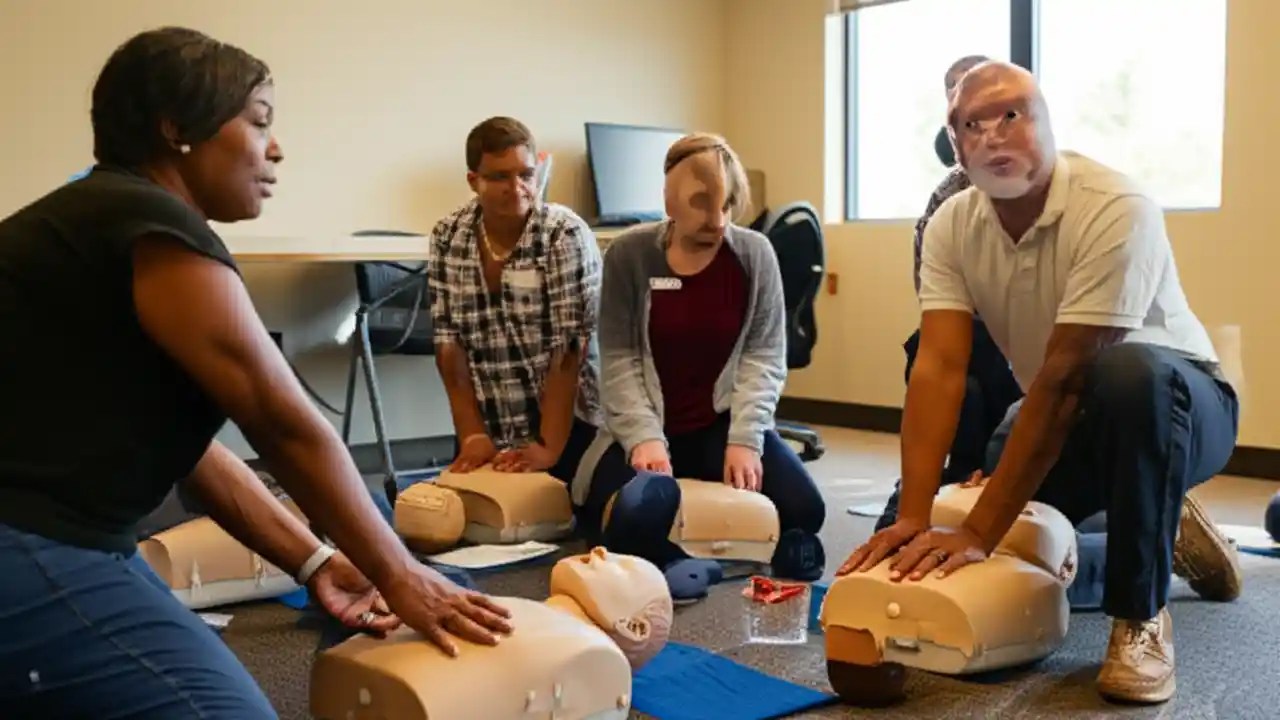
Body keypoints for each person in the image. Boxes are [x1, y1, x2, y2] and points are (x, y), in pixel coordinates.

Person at [0, 27, 511, 719]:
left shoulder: (94, 216)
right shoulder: (151, 224)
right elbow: (284, 426)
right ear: (176, 129)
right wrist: (400, 573)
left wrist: (317, 562)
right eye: (259, 122)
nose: (276, 149)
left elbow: (196, 457)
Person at [837, 60, 1242, 704]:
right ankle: (1165, 530)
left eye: (1012, 116)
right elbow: (939, 367)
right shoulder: (953, 224)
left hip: (1183, 405)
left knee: (1128, 375)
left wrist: (975, 531)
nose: (993, 135)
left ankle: (1140, 614)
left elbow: (1066, 378)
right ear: (955, 145)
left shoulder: (1116, 206)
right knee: (1003, 504)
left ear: (1048, 123)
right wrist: (916, 516)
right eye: (973, 125)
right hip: (1071, 412)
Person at [571, 133, 827, 581]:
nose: (717, 219)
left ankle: (685, 552)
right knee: (605, 519)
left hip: (718, 425)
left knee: (807, 508)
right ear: (669, 200)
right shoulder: (630, 255)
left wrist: (746, 438)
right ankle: (669, 558)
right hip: (647, 427)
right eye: (701, 203)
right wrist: (643, 438)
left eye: (727, 204)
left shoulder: (754, 254)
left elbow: (764, 354)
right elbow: (619, 359)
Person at [877, 53, 1023, 532]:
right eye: (968, 117)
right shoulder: (947, 201)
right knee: (932, 351)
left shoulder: (1052, 185)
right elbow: (935, 297)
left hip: (1039, 346)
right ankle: (951, 484)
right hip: (973, 337)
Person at [428, 116, 603, 482]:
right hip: (490, 423)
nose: (517, 187)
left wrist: (548, 446)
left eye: (526, 174)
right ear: (473, 181)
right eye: (499, 177)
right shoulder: (447, 235)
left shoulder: (562, 234)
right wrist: (472, 436)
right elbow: (449, 344)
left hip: (570, 427)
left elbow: (569, 350)